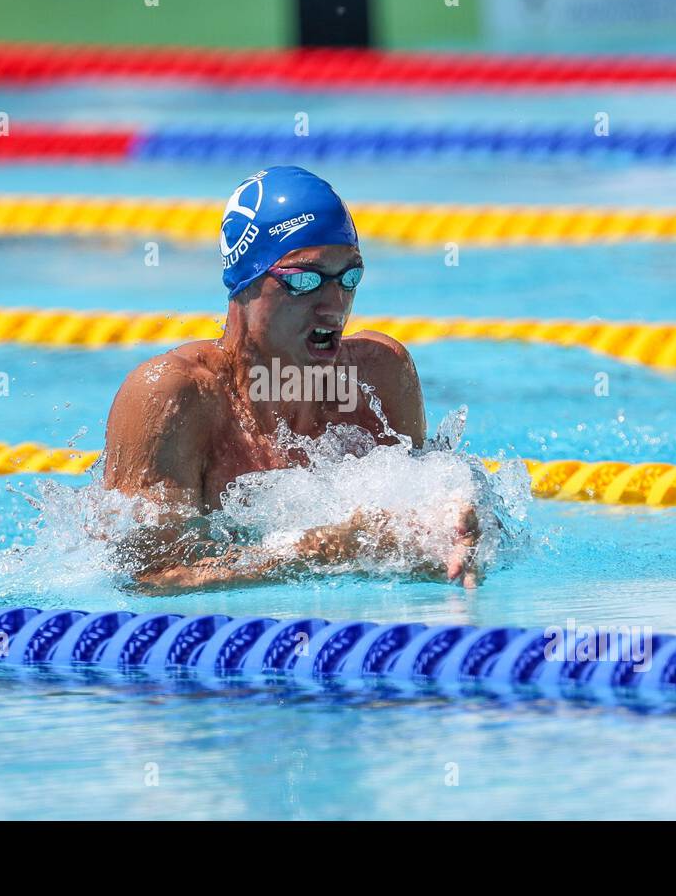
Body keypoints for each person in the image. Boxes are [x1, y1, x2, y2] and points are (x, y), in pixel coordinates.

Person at [101, 166, 481, 590]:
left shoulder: (379, 375)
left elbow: (423, 521)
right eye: (305, 280)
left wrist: (450, 531)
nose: (334, 304)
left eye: (350, 277)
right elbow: (150, 580)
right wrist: (323, 551)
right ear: (244, 282)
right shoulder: (173, 397)